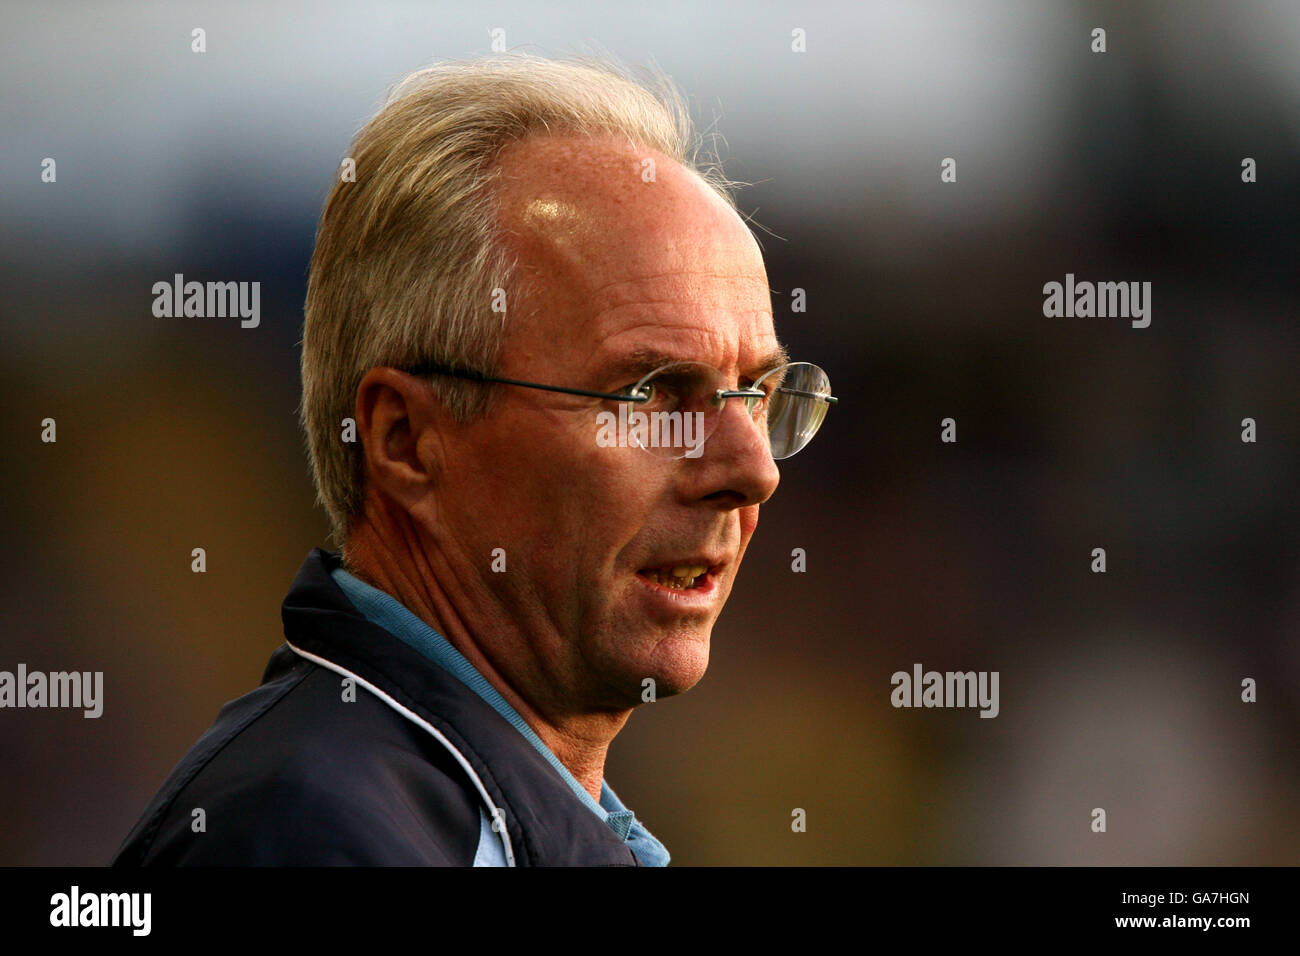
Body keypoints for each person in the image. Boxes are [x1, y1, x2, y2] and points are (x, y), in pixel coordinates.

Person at [112, 54, 836, 866]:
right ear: (406, 443)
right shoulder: (303, 836)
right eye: (651, 394)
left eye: (759, 392)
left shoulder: (472, 815)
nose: (752, 470)